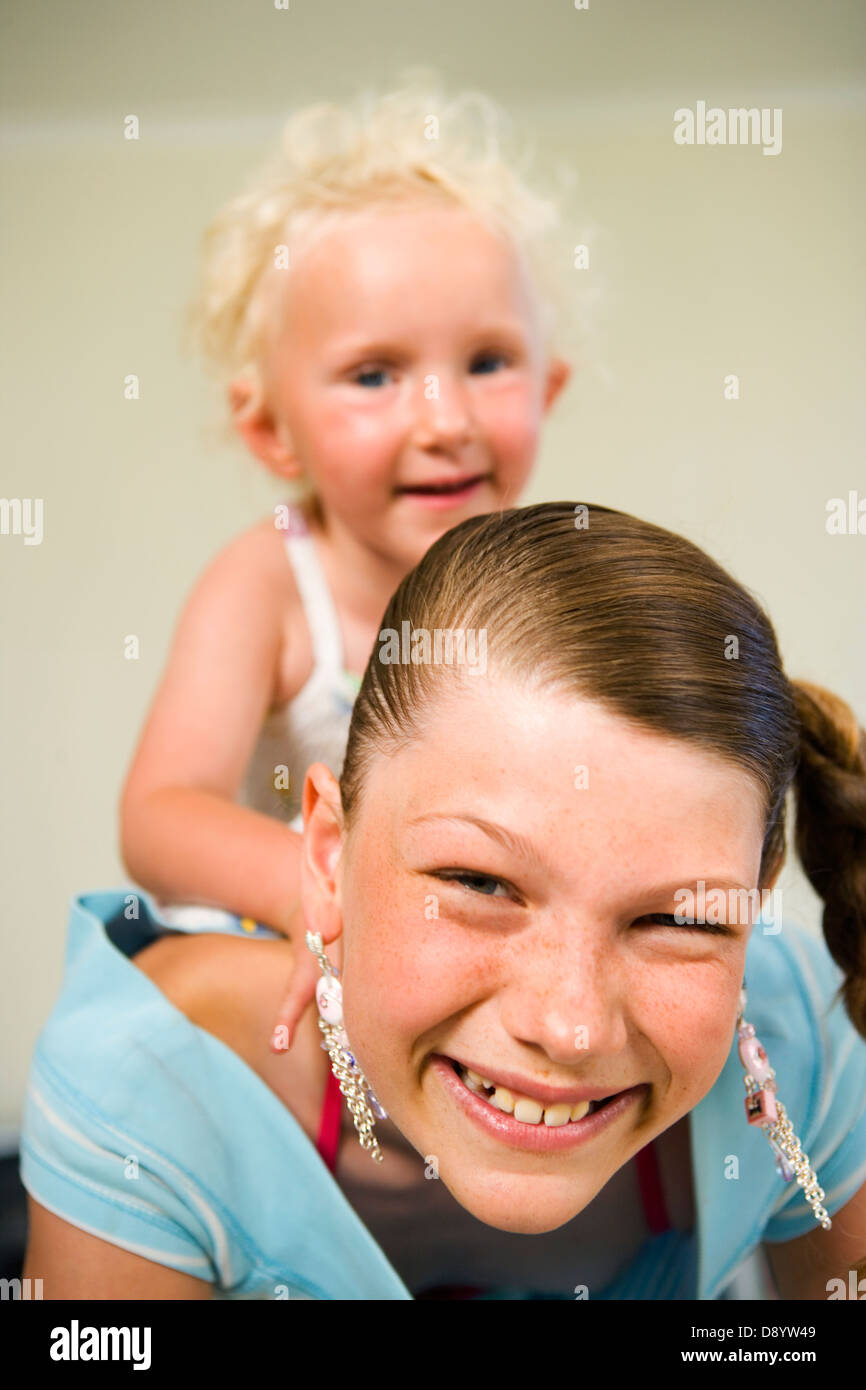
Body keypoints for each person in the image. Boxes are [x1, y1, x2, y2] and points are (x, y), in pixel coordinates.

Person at [21, 502, 866, 1299]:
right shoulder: (151, 1089)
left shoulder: (807, 1047)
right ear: (326, 858)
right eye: (479, 884)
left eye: (677, 918)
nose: (569, 1027)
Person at [118, 70, 572, 1048]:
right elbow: (160, 814)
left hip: (480, 953)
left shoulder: (551, 587)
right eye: (375, 374)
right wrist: (332, 893)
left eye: (487, 361)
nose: (444, 421)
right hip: (295, 931)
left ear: (549, 386)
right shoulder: (272, 583)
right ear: (271, 430)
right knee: (145, 1010)